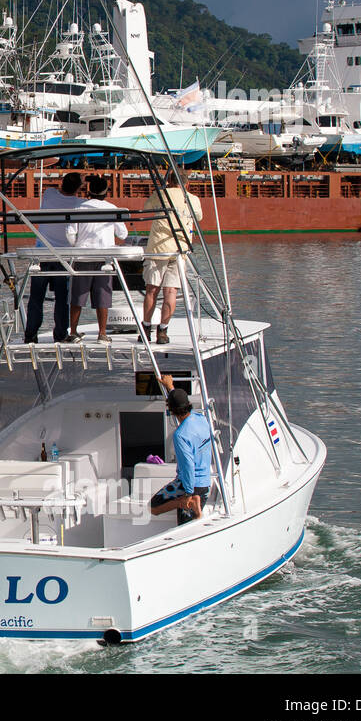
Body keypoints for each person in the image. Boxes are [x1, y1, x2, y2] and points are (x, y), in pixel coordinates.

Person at [140, 170, 203, 344]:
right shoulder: (193, 199)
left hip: (158, 249)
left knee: (152, 290)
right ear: (187, 183)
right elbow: (199, 217)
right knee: (171, 292)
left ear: (168, 181)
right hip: (179, 250)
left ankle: (146, 328)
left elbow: (146, 208)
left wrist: (162, 189)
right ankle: (163, 331)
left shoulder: (160, 194)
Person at [24, 172, 85, 343]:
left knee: (36, 297)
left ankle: (30, 335)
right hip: (62, 257)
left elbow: (56, 189)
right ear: (78, 188)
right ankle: (60, 334)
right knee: (62, 298)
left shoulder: (49, 194)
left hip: (41, 255)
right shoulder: (79, 204)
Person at [69, 173, 127, 343]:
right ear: (106, 192)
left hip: (82, 257)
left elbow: (70, 232)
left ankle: (73, 332)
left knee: (77, 298)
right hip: (104, 259)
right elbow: (123, 234)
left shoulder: (79, 208)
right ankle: (102, 334)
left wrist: (76, 245)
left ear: (90, 191)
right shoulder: (112, 208)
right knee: (103, 297)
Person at [149, 374, 212, 525]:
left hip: (189, 486)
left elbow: (188, 466)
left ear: (170, 410)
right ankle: (194, 504)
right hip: (205, 483)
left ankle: (188, 502)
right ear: (188, 405)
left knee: (154, 507)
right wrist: (169, 387)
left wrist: (188, 494)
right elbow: (178, 399)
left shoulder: (181, 435)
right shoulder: (202, 419)